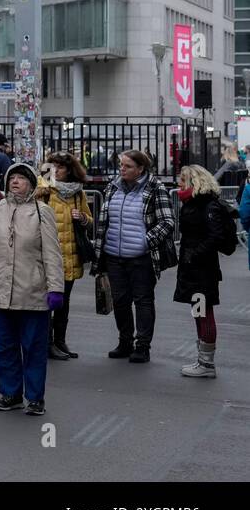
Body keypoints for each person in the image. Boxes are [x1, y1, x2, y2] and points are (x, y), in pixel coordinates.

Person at [0, 163, 64, 415]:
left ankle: (34, 397)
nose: (15, 182)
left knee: (33, 348)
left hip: (32, 292)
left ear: (31, 184)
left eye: (21, 178)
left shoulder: (42, 212)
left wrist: (56, 288)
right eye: (12, 178)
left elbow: (53, 255)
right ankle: (10, 394)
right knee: (4, 347)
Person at [92, 149, 176, 364]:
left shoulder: (155, 188)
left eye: (128, 166)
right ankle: (125, 341)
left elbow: (167, 222)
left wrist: (145, 241)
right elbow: (104, 219)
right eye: (121, 165)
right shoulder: (113, 186)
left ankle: (143, 346)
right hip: (114, 255)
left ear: (141, 169)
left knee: (143, 301)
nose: (122, 169)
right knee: (120, 301)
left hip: (141, 258)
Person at [173, 165, 230, 379]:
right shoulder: (194, 203)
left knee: (203, 312)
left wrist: (193, 255)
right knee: (199, 312)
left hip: (201, 270)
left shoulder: (205, 205)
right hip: (195, 269)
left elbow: (214, 236)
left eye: (182, 178)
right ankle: (203, 359)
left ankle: (206, 363)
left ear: (193, 181)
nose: (178, 182)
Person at [36, 152, 92, 360]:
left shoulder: (78, 193)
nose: (56, 171)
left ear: (69, 170)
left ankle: (60, 341)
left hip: (69, 255)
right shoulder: (44, 191)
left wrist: (84, 218)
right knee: (47, 302)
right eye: (53, 166)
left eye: (60, 167)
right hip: (47, 256)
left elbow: (91, 220)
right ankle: (47, 343)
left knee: (63, 303)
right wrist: (43, 183)